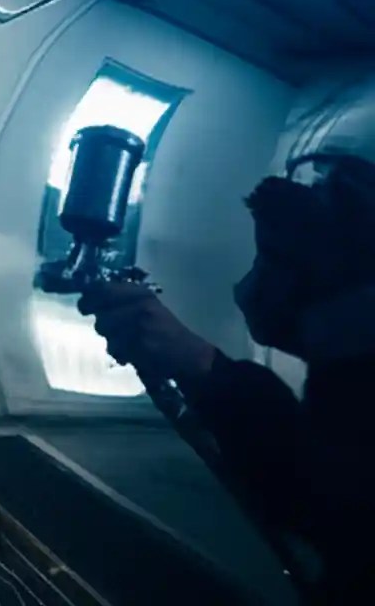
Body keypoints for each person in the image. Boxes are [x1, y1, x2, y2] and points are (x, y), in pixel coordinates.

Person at [78, 153, 375, 603]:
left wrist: (205, 366)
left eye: (270, 259)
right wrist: (203, 370)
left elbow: (337, 504)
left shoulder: (355, 382)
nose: (250, 283)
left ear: (325, 269)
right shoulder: (341, 373)